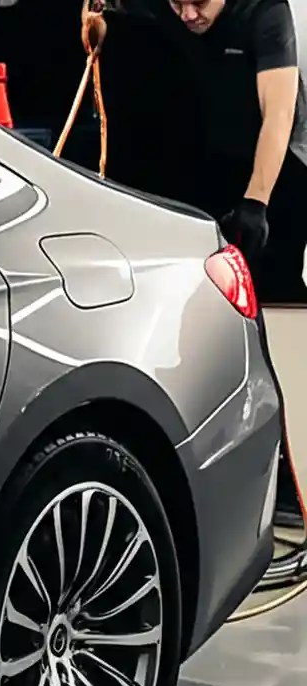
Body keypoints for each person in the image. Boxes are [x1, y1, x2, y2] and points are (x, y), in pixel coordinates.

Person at [106, 0, 307, 521]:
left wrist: (257, 202)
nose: (188, 13)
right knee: (205, 322)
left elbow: (279, 114)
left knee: (269, 323)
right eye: (178, 3)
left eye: (199, 2)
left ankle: (290, 480)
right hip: (213, 164)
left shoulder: (265, 11)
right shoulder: (163, 7)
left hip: (279, 174)